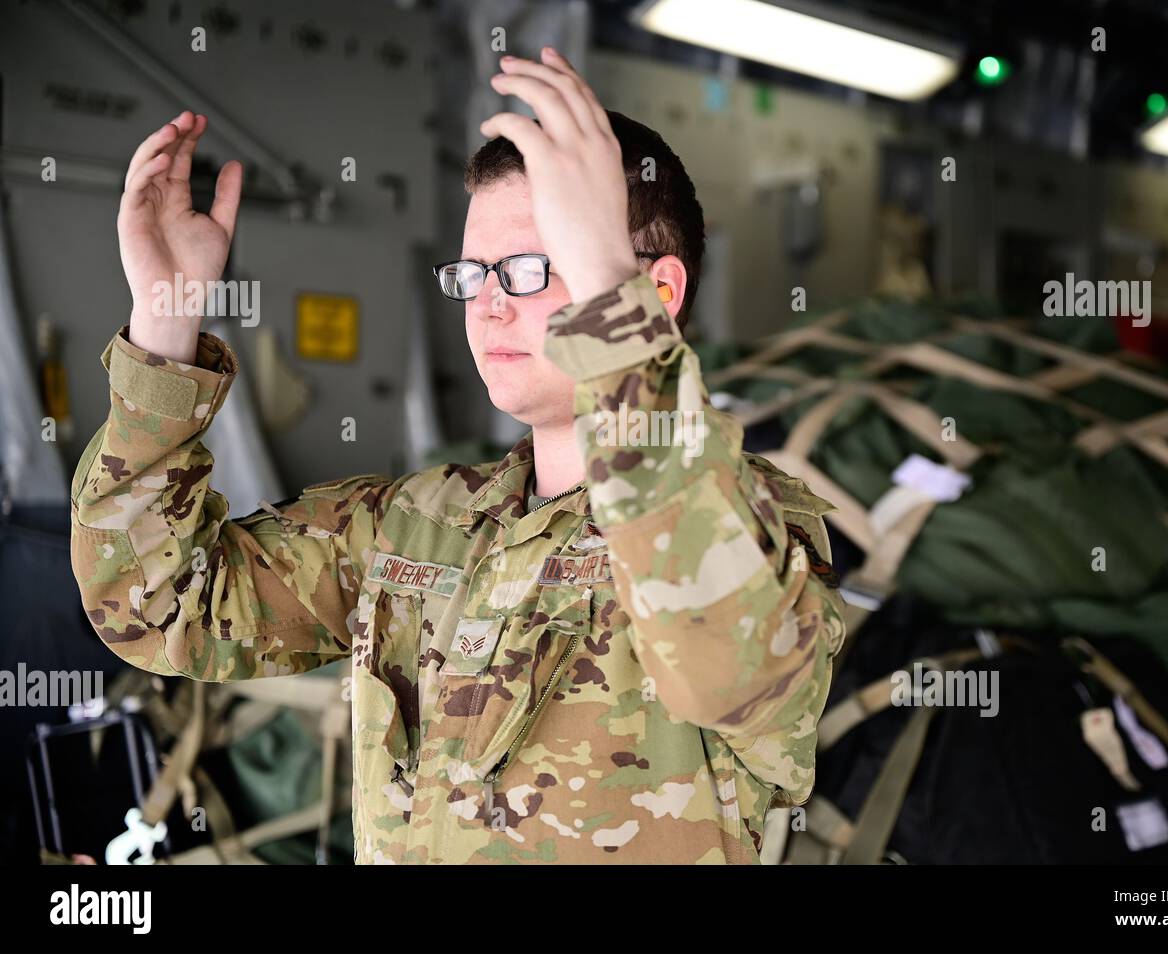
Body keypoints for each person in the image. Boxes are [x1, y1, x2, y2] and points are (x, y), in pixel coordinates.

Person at [69, 47, 846, 864]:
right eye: (474, 273)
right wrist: (165, 320)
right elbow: (157, 606)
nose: (488, 305)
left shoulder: (751, 533)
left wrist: (610, 298)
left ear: (656, 293)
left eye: (529, 268)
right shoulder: (412, 526)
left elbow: (729, 664)